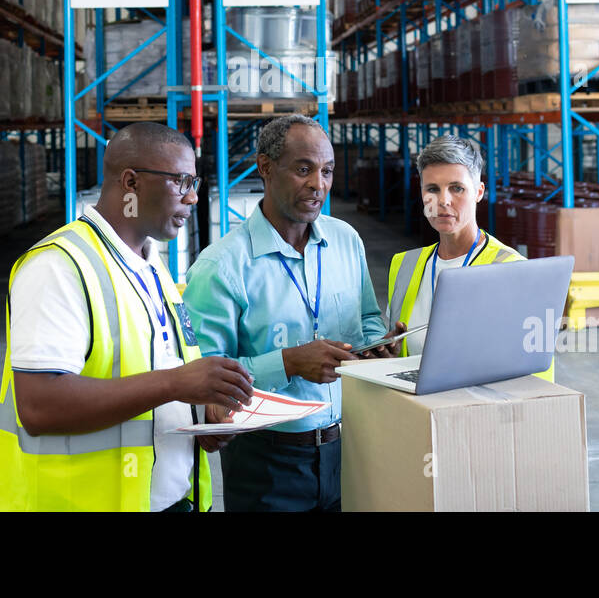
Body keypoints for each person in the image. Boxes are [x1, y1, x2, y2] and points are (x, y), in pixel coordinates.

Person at [0, 122, 254, 512]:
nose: (193, 197)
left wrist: (201, 415)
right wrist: (176, 384)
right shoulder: (60, 268)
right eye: (181, 181)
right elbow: (39, 406)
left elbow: (148, 375)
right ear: (131, 182)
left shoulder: (151, 268)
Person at [183, 114, 406, 512]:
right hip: (267, 463)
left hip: (349, 449)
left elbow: (367, 318)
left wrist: (378, 346)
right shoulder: (220, 266)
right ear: (265, 167)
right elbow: (203, 384)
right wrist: (286, 364)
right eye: (304, 169)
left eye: (327, 171)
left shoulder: (345, 241)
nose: (318, 184)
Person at [387, 133, 554, 382]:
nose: (443, 201)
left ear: (478, 191)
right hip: (419, 410)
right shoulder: (404, 265)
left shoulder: (512, 269)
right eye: (432, 189)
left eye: (457, 188)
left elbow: (536, 375)